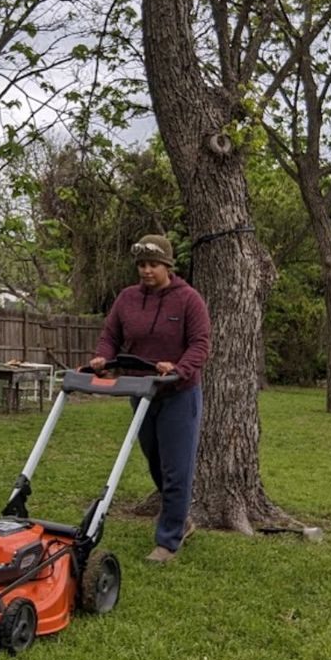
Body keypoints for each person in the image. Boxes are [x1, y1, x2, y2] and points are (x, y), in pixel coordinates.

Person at [89, 234, 211, 564]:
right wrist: (102, 357)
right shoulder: (127, 299)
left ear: (167, 266)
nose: (146, 270)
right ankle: (181, 519)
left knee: (176, 469)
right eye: (141, 265)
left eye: (153, 264)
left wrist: (179, 368)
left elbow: (200, 343)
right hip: (142, 393)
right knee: (156, 462)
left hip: (178, 394)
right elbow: (111, 335)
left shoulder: (188, 299)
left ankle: (168, 541)